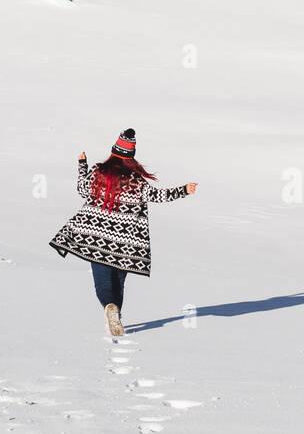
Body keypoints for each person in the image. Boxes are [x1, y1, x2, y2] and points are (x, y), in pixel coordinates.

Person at [49, 128, 197, 337]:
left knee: (103, 282)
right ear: (131, 158)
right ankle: (115, 316)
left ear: (113, 152)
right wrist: (183, 190)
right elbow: (159, 196)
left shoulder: (99, 172)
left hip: (94, 239)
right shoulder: (136, 182)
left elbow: (82, 189)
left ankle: (110, 308)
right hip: (124, 243)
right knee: (118, 283)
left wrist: (82, 165)